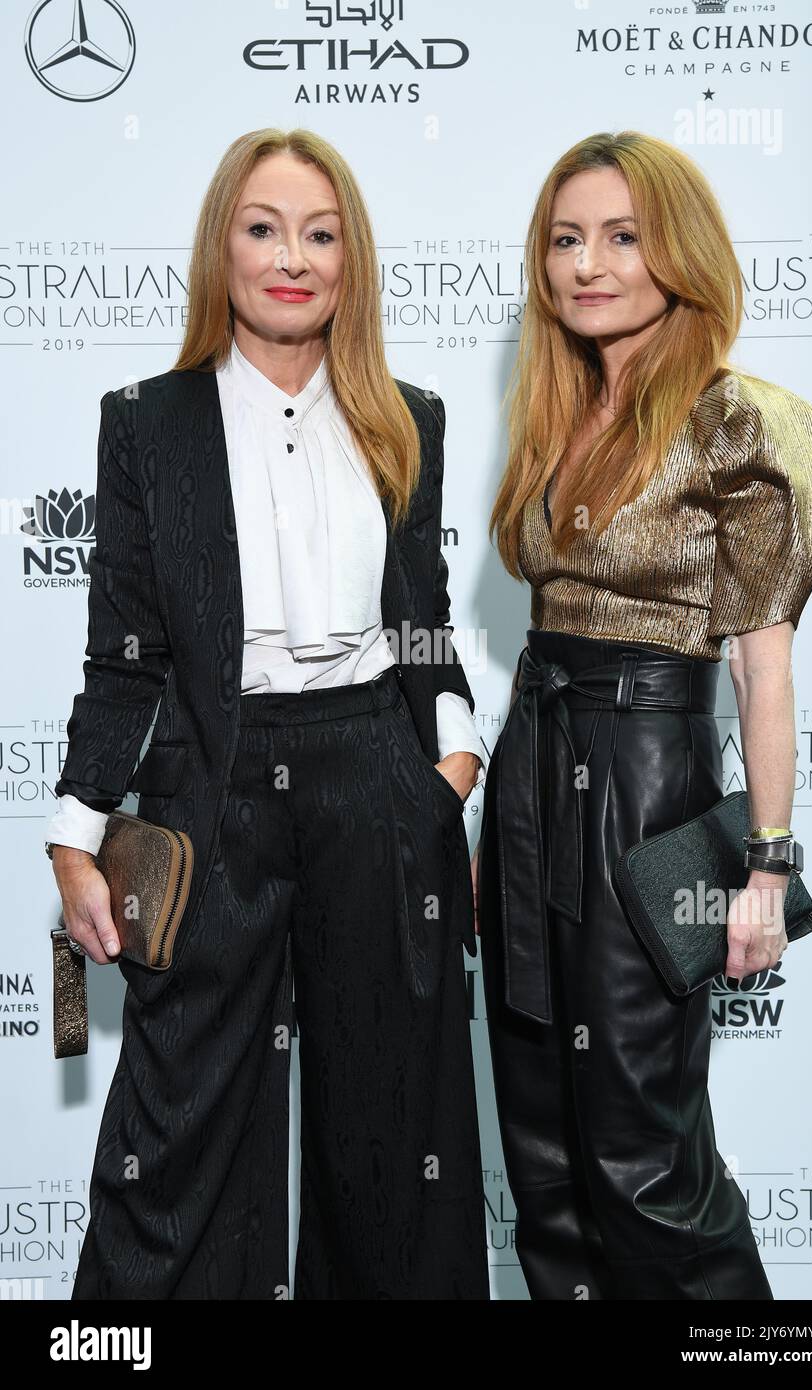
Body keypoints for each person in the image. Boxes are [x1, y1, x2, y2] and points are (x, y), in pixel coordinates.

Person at [46, 127, 490, 1301]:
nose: (290, 256)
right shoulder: (148, 421)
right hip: (214, 780)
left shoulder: (408, 416)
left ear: (350, 259)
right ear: (222, 249)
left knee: (393, 1130)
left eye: (319, 232)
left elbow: (422, 620)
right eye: (262, 228)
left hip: (374, 776)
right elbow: (124, 654)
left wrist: (449, 753)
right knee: (180, 1130)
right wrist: (74, 834)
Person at [474, 131, 812, 1301]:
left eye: (623, 237)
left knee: (641, 1159)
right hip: (532, 771)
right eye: (566, 239)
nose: (588, 264)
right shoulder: (555, 416)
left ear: (676, 252)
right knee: (541, 1150)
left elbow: (761, 672)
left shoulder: (737, 421)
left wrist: (766, 869)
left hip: (645, 786)